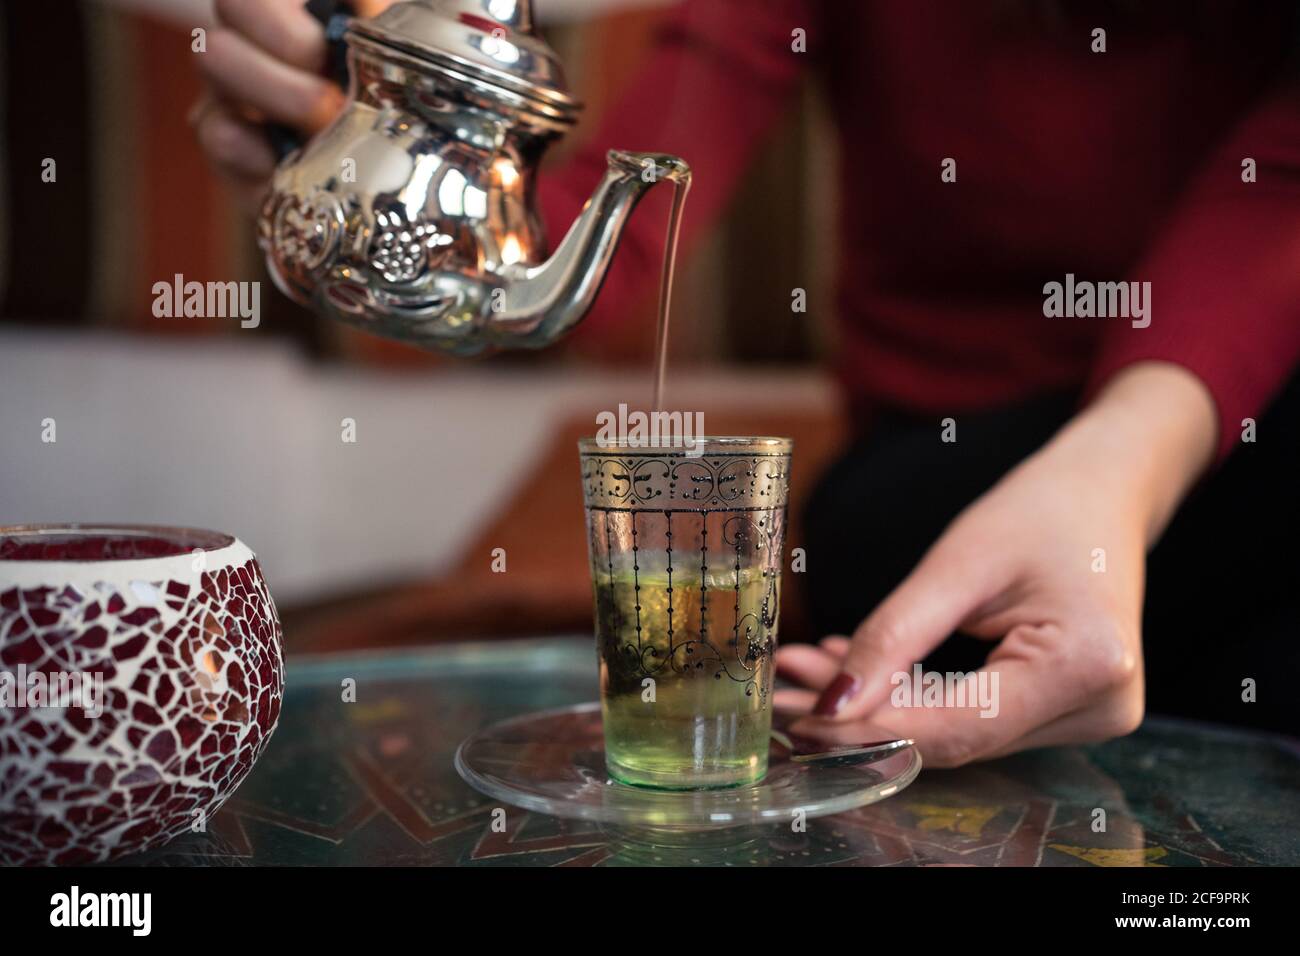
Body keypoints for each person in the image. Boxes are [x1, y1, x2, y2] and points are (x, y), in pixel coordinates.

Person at [195, 0, 1300, 763]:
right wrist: (393, 128)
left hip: (1229, 450)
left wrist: (1108, 481)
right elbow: (598, 247)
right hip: (939, 488)